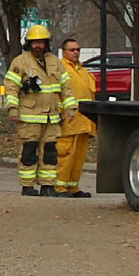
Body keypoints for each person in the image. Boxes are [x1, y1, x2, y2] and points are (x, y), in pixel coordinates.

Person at [2, 23, 79, 197]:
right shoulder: (20, 62)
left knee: (50, 152)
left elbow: (66, 87)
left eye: (41, 42)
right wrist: (13, 109)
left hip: (51, 117)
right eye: (34, 42)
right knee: (29, 151)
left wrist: (71, 108)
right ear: (28, 43)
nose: (38, 45)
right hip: (29, 117)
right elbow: (11, 87)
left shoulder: (55, 62)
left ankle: (47, 186)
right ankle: (27, 186)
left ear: (47, 43)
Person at [56, 37, 96, 192]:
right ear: (64, 52)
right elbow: (55, 94)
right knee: (65, 155)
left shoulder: (84, 71)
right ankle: (59, 187)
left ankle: (73, 187)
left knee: (78, 158)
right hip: (67, 122)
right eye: (72, 50)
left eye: (78, 49)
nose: (76, 52)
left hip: (84, 123)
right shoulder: (60, 69)